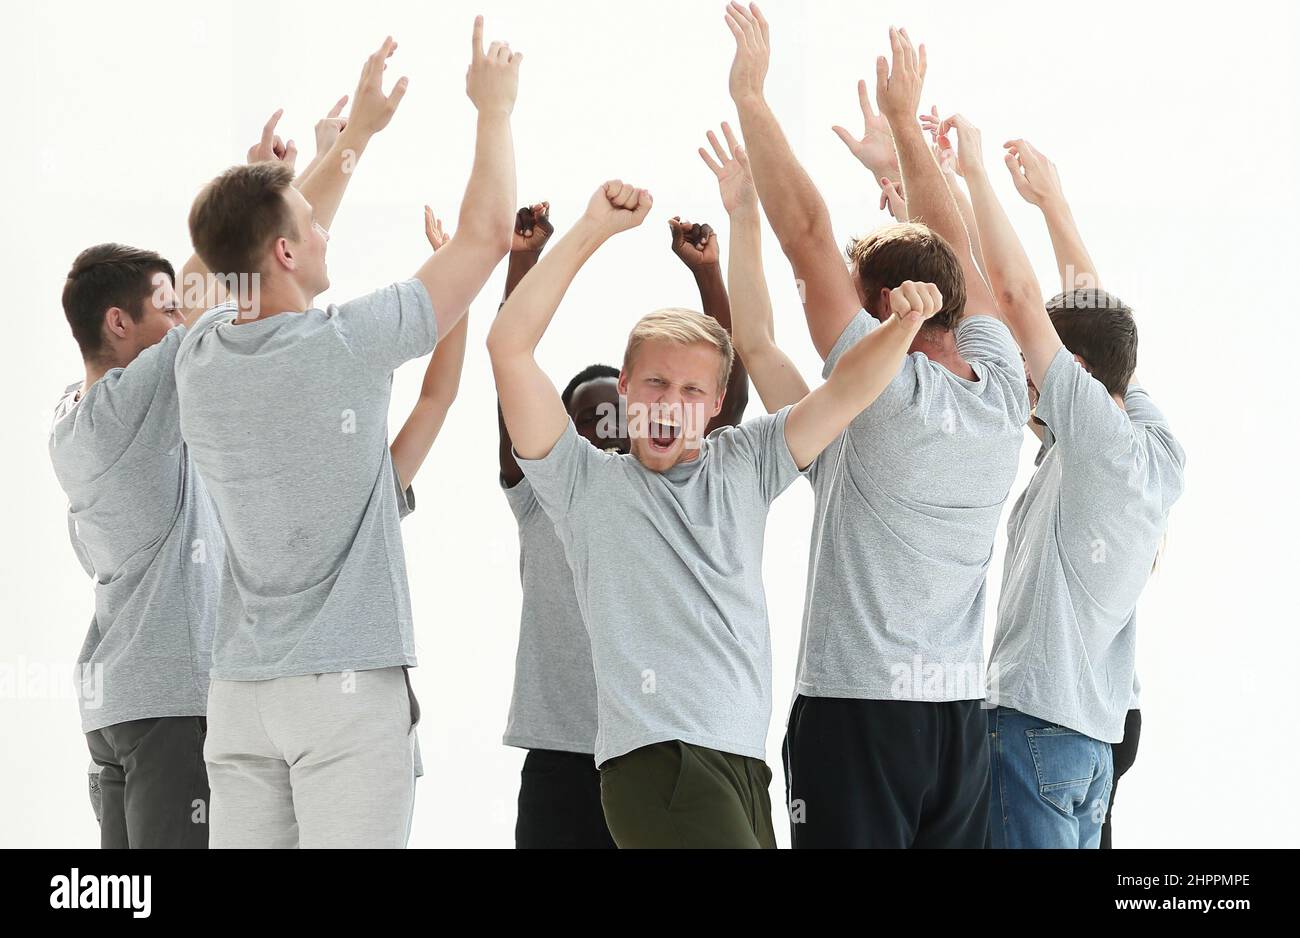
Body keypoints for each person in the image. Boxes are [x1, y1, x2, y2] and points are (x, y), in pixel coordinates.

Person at [487, 174, 948, 848]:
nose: (670, 402)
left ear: (715, 403)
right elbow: (508, 347)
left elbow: (848, 391)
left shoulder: (745, 461)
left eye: (691, 389)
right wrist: (591, 230)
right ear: (625, 387)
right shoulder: (582, 482)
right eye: (654, 382)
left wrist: (905, 325)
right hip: (661, 760)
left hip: (740, 763)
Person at [174, 23, 520, 848]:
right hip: (346, 692)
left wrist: (344, 147)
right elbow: (484, 237)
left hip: (241, 696)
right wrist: (494, 110)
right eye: (310, 221)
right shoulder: (346, 344)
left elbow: (240, 264)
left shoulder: (197, 354)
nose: (328, 229)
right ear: (289, 248)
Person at [725, 4, 1027, 847]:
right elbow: (958, 252)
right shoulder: (1004, 392)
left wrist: (751, 94)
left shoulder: (880, 392)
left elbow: (809, 237)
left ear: (879, 310)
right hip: (958, 720)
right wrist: (903, 126)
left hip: (858, 710)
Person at [942, 115, 1185, 848]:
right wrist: (1051, 205)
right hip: (1090, 746)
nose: (1020, 372)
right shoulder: (1156, 448)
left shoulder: (1096, 443)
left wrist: (975, 177)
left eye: (1031, 363)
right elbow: (1104, 331)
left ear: (1070, 379)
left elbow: (1018, 300)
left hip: (1034, 727)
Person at [497, 202, 749, 849]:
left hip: (658, 753)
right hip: (564, 751)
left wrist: (708, 276)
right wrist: (522, 257)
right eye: (590, 420)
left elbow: (724, 399)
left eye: (618, 415)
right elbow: (510, 376)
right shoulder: (547, 489)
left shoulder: (668, 490)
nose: (608, 430)